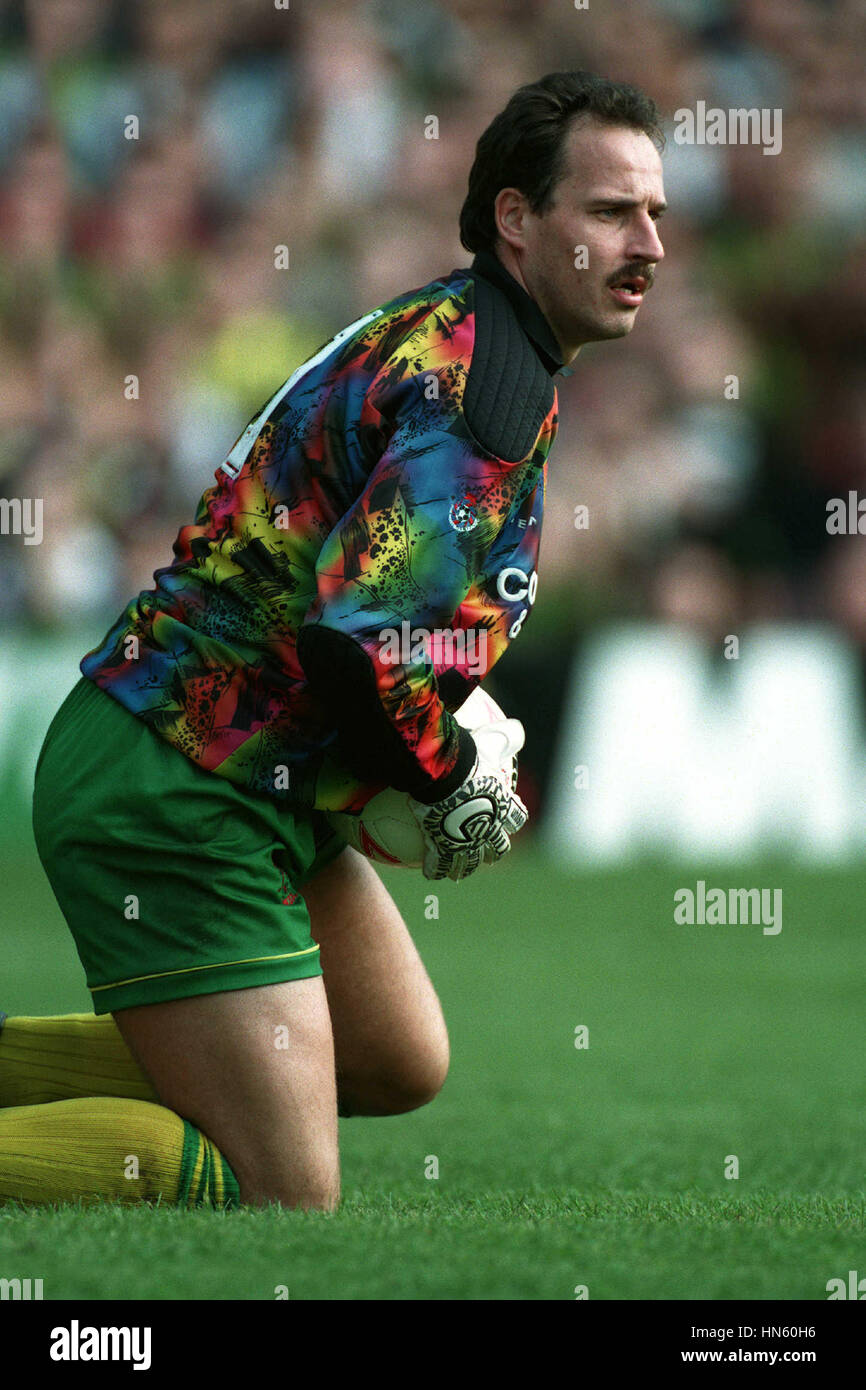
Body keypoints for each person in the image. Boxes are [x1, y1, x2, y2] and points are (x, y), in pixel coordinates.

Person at [0, 70, 666, 1211]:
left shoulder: (458, 331)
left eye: (655, 212)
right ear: (516, 217)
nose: (645, 242)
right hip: (178, 773)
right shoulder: (482, 393)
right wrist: (449, 771)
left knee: (393, 1056)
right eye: (609, 212)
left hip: (243, 766)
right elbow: (362, 647)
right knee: (278, 1189)